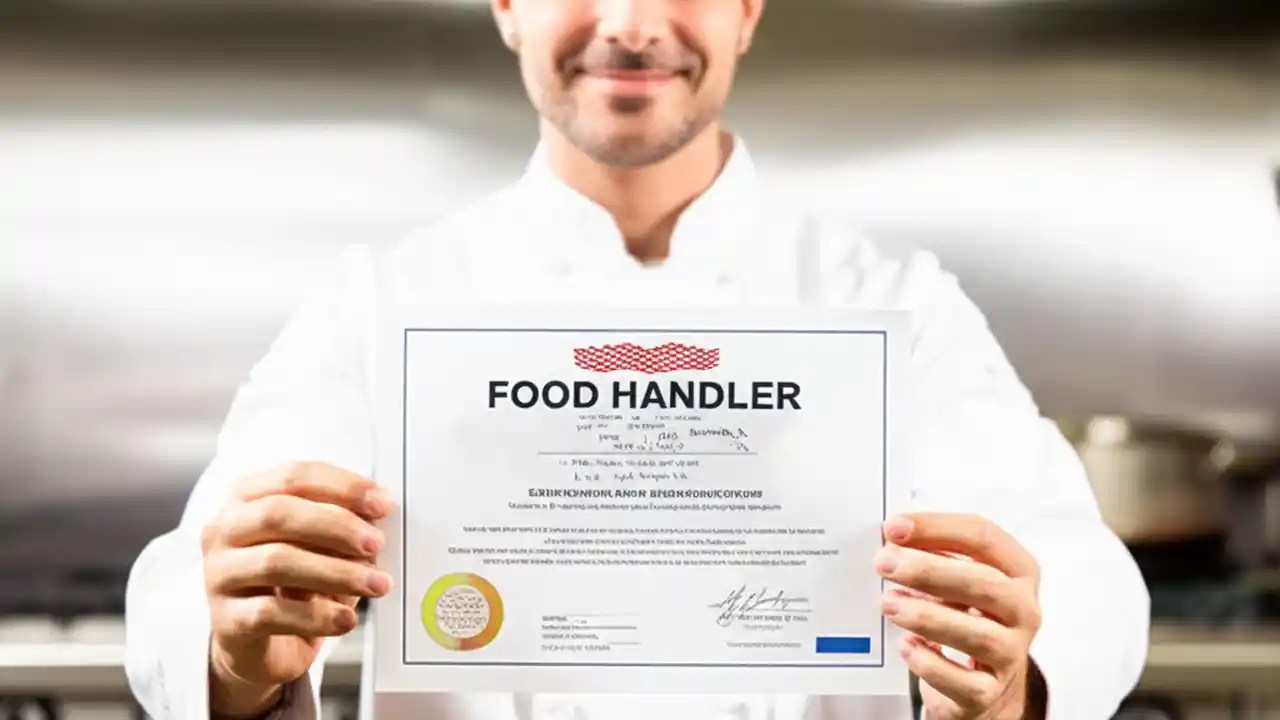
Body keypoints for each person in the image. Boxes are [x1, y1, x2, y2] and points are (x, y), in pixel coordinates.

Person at [124, 0, 1150, 718]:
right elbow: (191, 579)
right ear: (506, 4)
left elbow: (1078, 571)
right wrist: (234, 647)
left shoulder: (891, 304)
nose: (628, 21)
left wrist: (1013, 683)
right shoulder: (381, 304)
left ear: (747, 8)